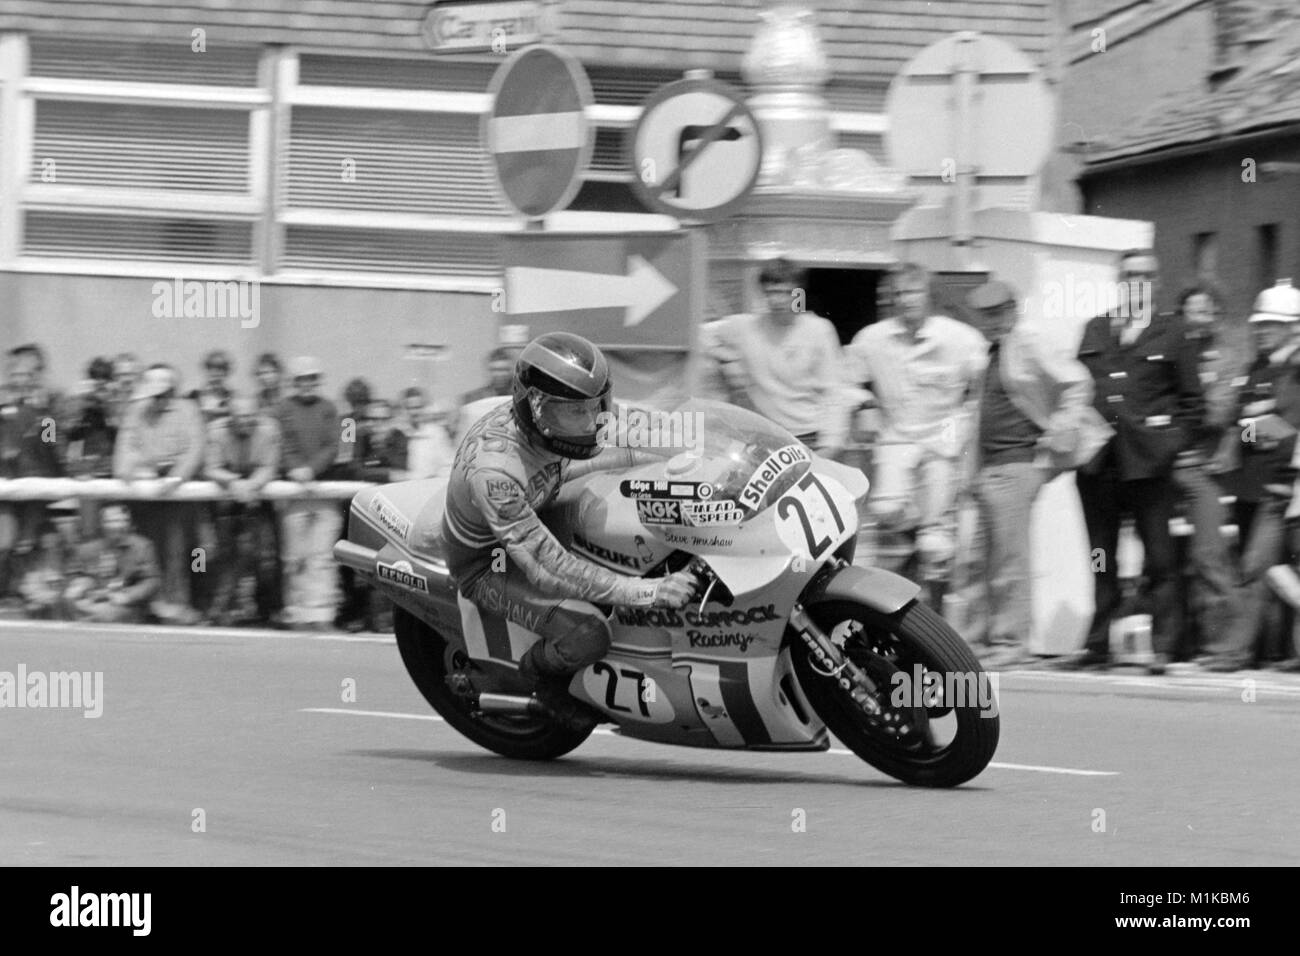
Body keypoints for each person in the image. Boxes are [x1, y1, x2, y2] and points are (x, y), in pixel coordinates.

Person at [443, 332, 698, 729]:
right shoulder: (496, 472)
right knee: (588, 634)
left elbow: (647, 424)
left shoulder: (572, 422)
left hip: (545, 499)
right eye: (572, 413)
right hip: (490, 561)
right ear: (537, 408)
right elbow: (549, 568)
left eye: (595, 405)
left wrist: (713, 446)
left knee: (645, 471)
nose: (589, 422)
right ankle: (537, 682)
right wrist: (648, 592)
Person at [1058, 250, 1206, 674]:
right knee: (1101, 556)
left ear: (1157, 282)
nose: (1136, 282)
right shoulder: (1096, 328)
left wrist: (1168, 446)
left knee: (1160, 559)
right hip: (1099, 464)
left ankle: (1162, 646)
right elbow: (1074, 388)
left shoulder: (1173, 332)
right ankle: (1098, 644)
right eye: (1128, 275)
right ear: (1118, 281)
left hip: (1148, 467)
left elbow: (1194, 405)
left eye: (1145, 275)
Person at [961, 278, 1111, 667]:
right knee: (981, 560)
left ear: (1013, 310)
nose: (992, 321)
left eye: (998, 313)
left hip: (1016, 464)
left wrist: (1061, 429)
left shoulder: (1027, 342)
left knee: (1008, 559)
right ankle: (975, 642)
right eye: (986, 315)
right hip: (990, 468)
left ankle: (1010, 643)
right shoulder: (994, 351)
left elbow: (1077, 382)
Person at [847, 262, 988, 595]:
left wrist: (967, 433)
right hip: (896, 441)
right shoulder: (872, 339)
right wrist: (865, 404)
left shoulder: (960, 338)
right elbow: (847, 382)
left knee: (935, 544)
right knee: (885, 509)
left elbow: (984, 384)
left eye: (912, 291)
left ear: (927, 295)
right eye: (898, 293)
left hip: (943, 445)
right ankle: (918, 528)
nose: (905, 299)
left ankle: (932, 552)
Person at [1200, 279, 1300, 671]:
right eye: (1260, 324)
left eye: (1270, 325)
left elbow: (1286, 429)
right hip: (1249, 485)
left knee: (1257, 569)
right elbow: (1239, 421)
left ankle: (1234, 652)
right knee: (1260, 569)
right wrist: (1252, 423)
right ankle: (1270, 651)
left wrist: (1250, 425)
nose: (1261, 331)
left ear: (1294, 326)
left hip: (1280, 487)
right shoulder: (1258, 368)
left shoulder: (1294, 371)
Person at [698, 257, 852, 459]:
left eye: (785, 292)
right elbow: (700, 335)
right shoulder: (745, 328)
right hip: (765, 440)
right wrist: (726, 360)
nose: (777, 300)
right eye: (771, 292)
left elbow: (834, 392)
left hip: (810, 439)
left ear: (799, 292)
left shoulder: (818, 330)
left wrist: (831, 444)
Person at [1172, 285, 1241, 654]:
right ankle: (1176, 643)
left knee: (1209, 555)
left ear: (1217, 317)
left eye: (1206, 312)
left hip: (1205, 470)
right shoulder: (1166, 354)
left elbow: (1218, 410)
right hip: (1165, 468)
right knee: (1164, 561)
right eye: (1191, 311)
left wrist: (1180, 407)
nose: (1199, 319)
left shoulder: (1228, 359)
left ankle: (1224, 646)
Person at [112, 365, 207, 624]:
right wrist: (135, 471)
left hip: (180, 498)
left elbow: (195, 448)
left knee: (187, 552)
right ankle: (151, 604)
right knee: (147, 552)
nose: (156, 399)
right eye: (152, 393)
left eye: (162, 393)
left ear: (171, 391)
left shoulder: (188, 410)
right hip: (144, 499)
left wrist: (175, 476)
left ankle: (181, 605)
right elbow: (124, 453)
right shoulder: (135, 411)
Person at [276, 357, 343, 628]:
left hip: (323, 491)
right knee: (295, 558)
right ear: (294, 382)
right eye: (302, 379)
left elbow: (333, 445)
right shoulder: (281, 408)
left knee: (323, 557)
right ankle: (296, 613)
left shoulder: (329, 408)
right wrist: (295, 469)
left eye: (312, 378)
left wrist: (311, 470)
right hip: (293, 493)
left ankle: (321, 615)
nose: (307, 384)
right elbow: (280, 442)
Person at [206, 396, 281, 625]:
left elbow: (269, 467)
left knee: (264, 556)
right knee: (207, 554)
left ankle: (266, 610)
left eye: (250, 416)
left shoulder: (270, 430)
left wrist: (251, 486)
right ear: (231, 417)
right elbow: (211, 468)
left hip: (259, 503)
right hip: (223, 504)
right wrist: (233, 482)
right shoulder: (215, 431)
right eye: (240, 417)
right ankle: (216, 608)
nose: (245, 421)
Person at [67, 504, 160, 624]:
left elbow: (151, 581)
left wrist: (128, 596)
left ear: (128, 523)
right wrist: (80, 585)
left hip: (127, 605)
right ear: (102, 523)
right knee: (68, 601)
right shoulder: (87, 549)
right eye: (111, 521)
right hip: (93, 599)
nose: (117, 526)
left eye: (121, 520)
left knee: (102, 615)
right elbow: (75, 575)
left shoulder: (142, 547)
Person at [64, 357, 119, 479]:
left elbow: (120, 433)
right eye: (95, 379)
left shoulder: (116, 402)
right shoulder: (79, 402)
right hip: (84, 469)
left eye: (104, 379)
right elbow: (68, 432)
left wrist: (108, 405)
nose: (99, 384)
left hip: (111, 467)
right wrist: (82, 402)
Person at [455, 347, 518, 441]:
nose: (500, 374)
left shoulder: (520, 398)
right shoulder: (473, 399)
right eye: (495, 370)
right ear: (488, 371)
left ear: (512, 370)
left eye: (504, 369)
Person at [188, 350, 236, 425]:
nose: (215, 372)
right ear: (206, 370)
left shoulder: (233, 398)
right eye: (211, 367)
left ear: (227, 372)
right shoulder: (193, 396)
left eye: (221, 368)